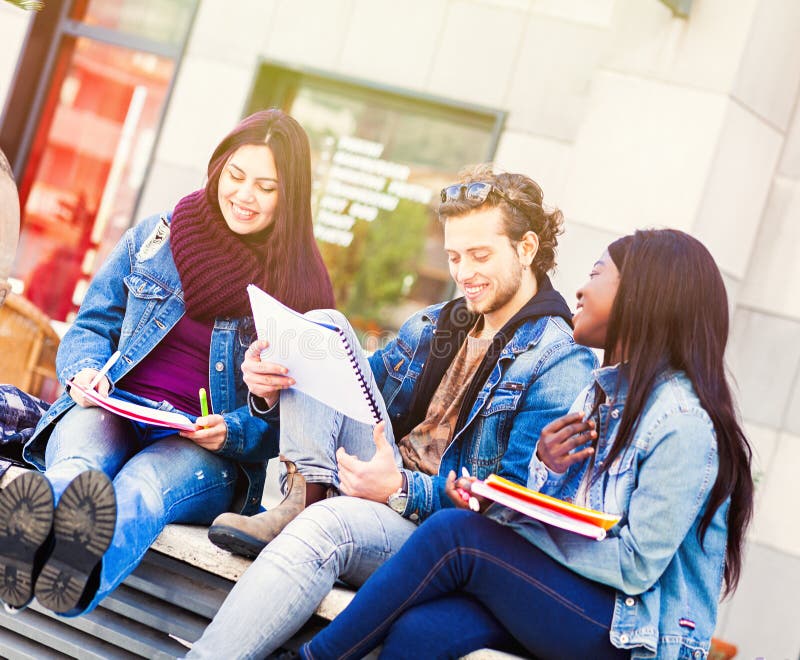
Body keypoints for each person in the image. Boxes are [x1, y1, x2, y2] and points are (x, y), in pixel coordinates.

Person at [187, 166, 598, 658]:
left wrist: (401, 490)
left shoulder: (559, 359)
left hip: (432, 531)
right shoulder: (438, 325)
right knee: (323, 330)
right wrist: (268, 394)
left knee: (327, 527)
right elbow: (339, 393)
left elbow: (512, 507)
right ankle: (304, 492)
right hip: (373, 482)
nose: (463, 273)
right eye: (453, 256)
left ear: (527, 248)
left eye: (480, 256)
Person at [298, 229, 755, 660]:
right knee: (423, 632)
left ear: (642, 298)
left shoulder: (683, 422)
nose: (580, 290)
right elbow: (570, 515)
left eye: (597, 275)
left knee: (453, 536)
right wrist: (542, 471)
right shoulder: (601, 394)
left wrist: (515, 525)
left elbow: (635, 565)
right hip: (570, 597)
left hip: (631, 633)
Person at [0, 109, 334, 616]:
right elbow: (92, 326)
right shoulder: (156, 237)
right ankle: (18, 551)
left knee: (142, 490)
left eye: (265, 187)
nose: (244, 196)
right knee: (80, 467)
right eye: (236, 176)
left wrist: (235, 429)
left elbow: (299, 424)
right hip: (115, 406)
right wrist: (84, 372)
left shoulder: (302, 289)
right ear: (218, 168)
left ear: (290, 197)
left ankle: (74, 582)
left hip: (204, 449)